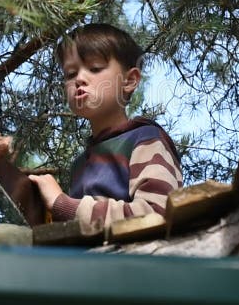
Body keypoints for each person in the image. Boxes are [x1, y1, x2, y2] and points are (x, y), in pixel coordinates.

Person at [29, 23, 183, 229]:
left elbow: (157, 213)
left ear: (129, 81)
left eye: (94, 68)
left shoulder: (145, 139)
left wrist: (63, 204)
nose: (79, 79)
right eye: (70, 74)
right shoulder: (80, 164)